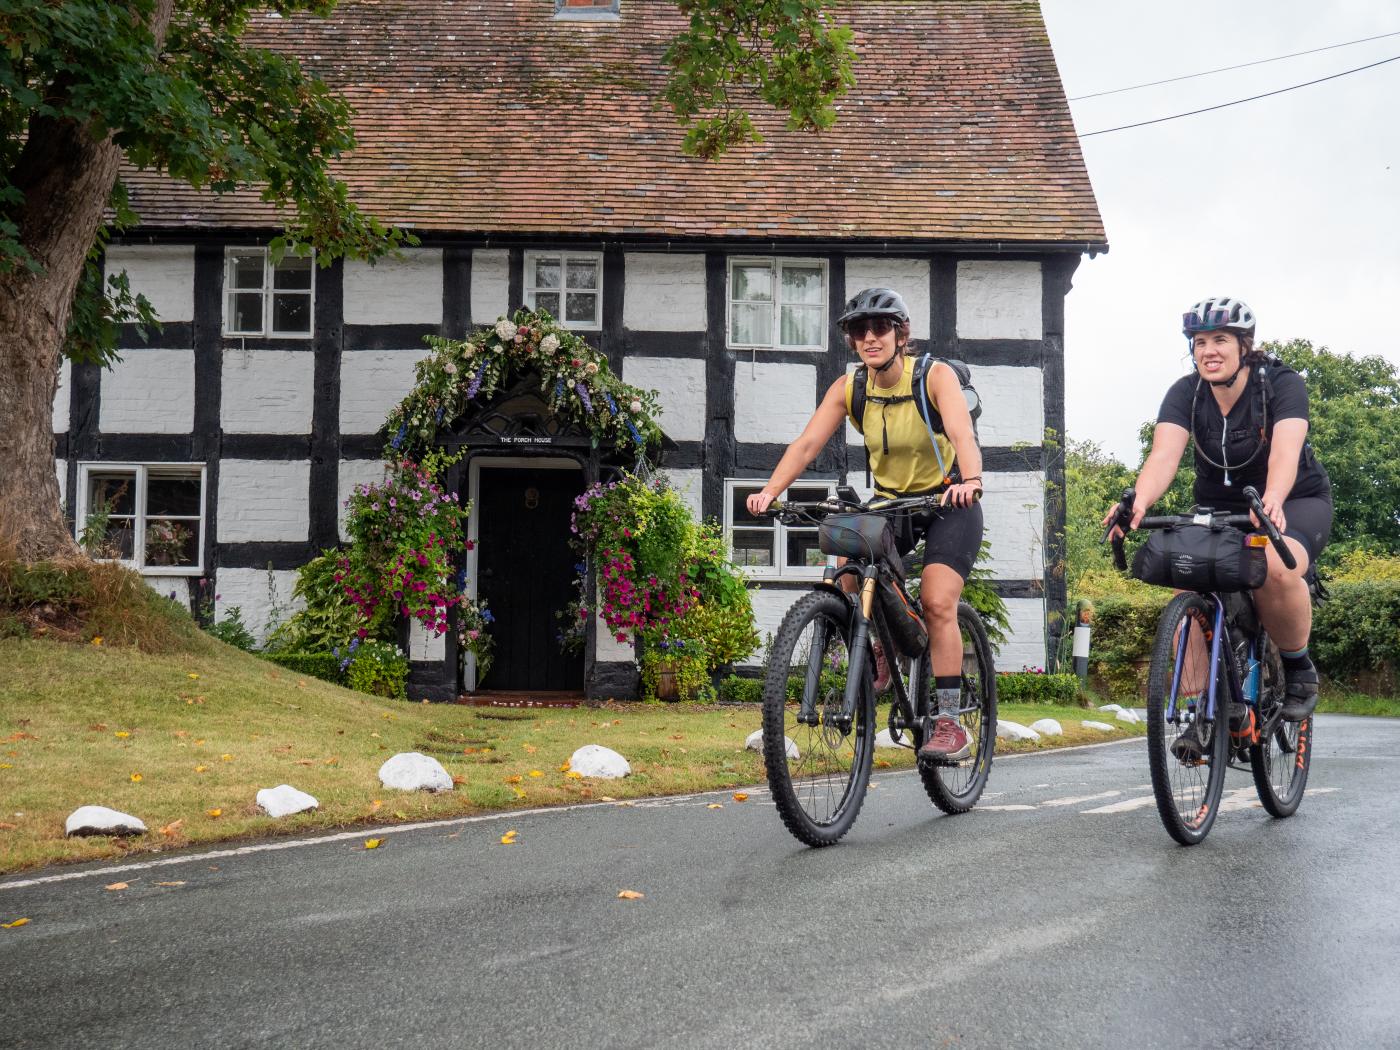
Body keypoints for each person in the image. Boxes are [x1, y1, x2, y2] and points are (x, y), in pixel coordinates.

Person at [745, 287, 984, 762]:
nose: (869, 338)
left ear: (901, 333)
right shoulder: (850, 387)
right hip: (892, 503)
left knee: (937, 601)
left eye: (879, 328)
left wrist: (971, 479)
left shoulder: (932, 377)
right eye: (859, 330)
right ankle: (878, 644)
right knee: (847, 571)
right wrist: (770, 491)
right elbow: (807, 445)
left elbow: (962, 433)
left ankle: (951, 721)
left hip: (947, 501)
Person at [1103, 296, 1331, 759]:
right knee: (1187, 591)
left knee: (1272, 565)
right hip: (1218, 508)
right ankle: (1201, 714)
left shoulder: (1281, 385)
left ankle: (1297, 667)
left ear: (1244, 345)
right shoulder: (1187, 393)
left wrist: (1273, 500)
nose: (1209, 350)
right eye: (1200, 342)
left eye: (1220, 340)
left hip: (1294, 498)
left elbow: (1286, 452)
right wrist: (1138, 503)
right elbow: (1163, 457)